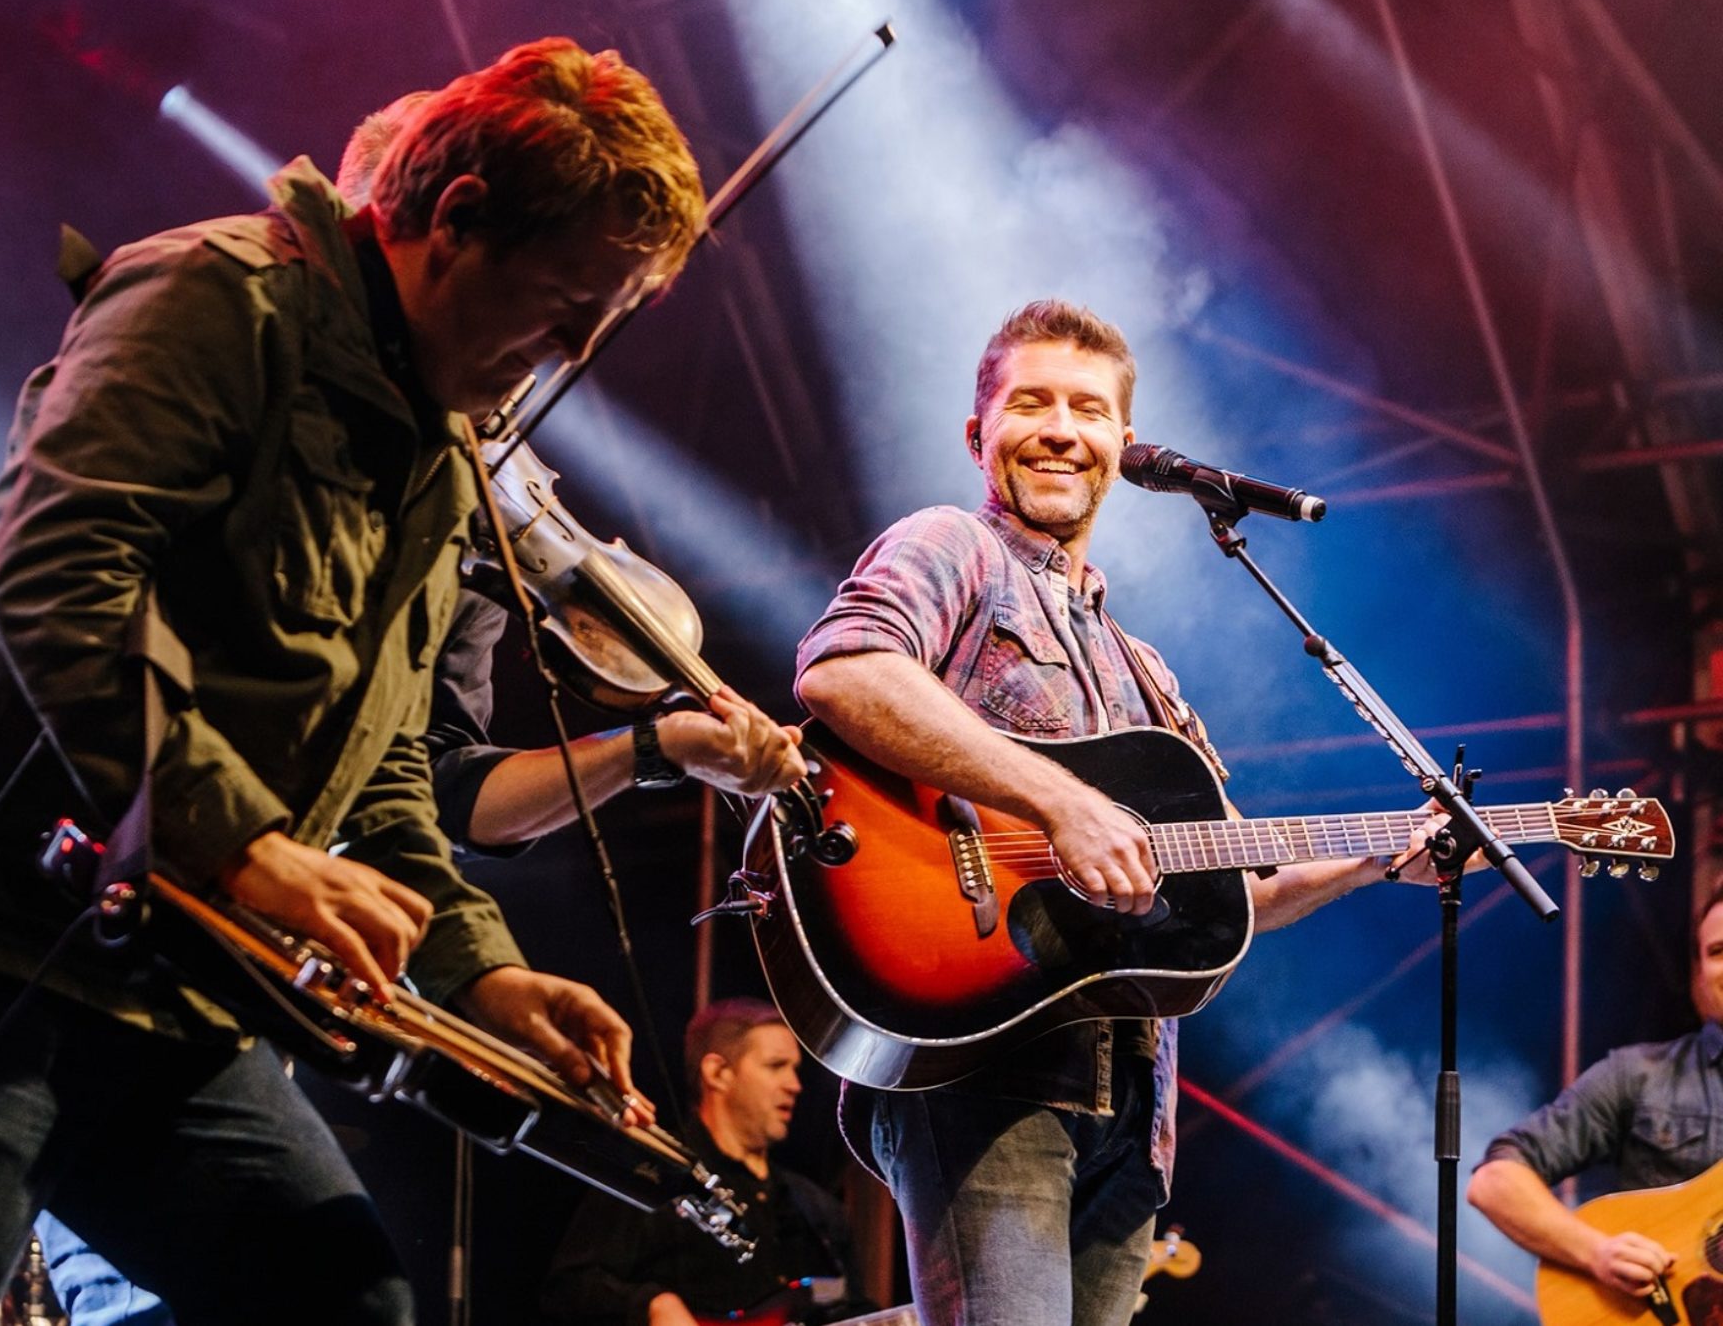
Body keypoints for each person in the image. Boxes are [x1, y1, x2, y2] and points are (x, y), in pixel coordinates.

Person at [0, 36, 708, 1326]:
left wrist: (480, 972)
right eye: (559, 311)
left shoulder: (440, 455)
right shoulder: (209, 300)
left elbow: (378, 776)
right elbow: (56, 582)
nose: (560, 360)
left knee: (344, 1305)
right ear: (458, 219)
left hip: (156, 992)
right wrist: (249, 847)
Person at [791, 299, 1460, 1326]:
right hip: (986, 1067)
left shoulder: (1145, 674)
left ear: (1120, 445)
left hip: (1130, 1114)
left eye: (1089, 409)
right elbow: (844, 671)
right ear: (978, 435)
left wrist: (1380, 859)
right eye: (1033, 402)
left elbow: (1233, 889)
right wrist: (1060, 802)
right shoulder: (950, 550)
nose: (1062, 426)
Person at [1467, 882, 1723, 1306]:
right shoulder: (1640, 1074)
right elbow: (1495, 1183)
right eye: (1717, 952)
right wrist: (1597, 1253)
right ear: (1699, 975)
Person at [541, 998, 868, 1326]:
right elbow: (568, 1290)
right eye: (775, 1066)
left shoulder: (819, 1210)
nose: (794, 1085)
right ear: (717, 1073)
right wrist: (651, 1305)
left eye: (794, 1070)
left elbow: (853, 1311)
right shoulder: (651, 1174)